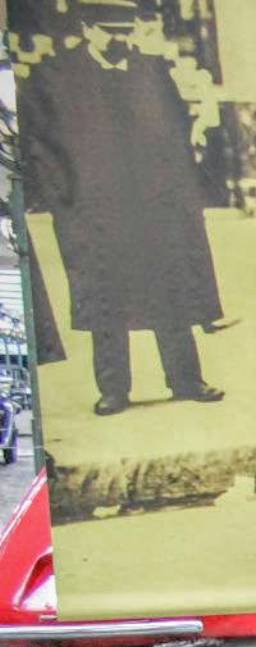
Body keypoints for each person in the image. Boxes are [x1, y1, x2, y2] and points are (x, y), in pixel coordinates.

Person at [18, 0, 224, 415]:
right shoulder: (56, 76)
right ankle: (114, 389)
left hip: (153, 207)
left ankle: (186, 379)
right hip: (94, 211)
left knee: (171, 289)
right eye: (110, 31)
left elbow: (177, 134)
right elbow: (40, 145)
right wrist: (66, 200)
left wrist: (177, 193)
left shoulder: (153, 70)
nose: (120, 40)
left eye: (125, 31)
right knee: (106, 297)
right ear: (87, 28)